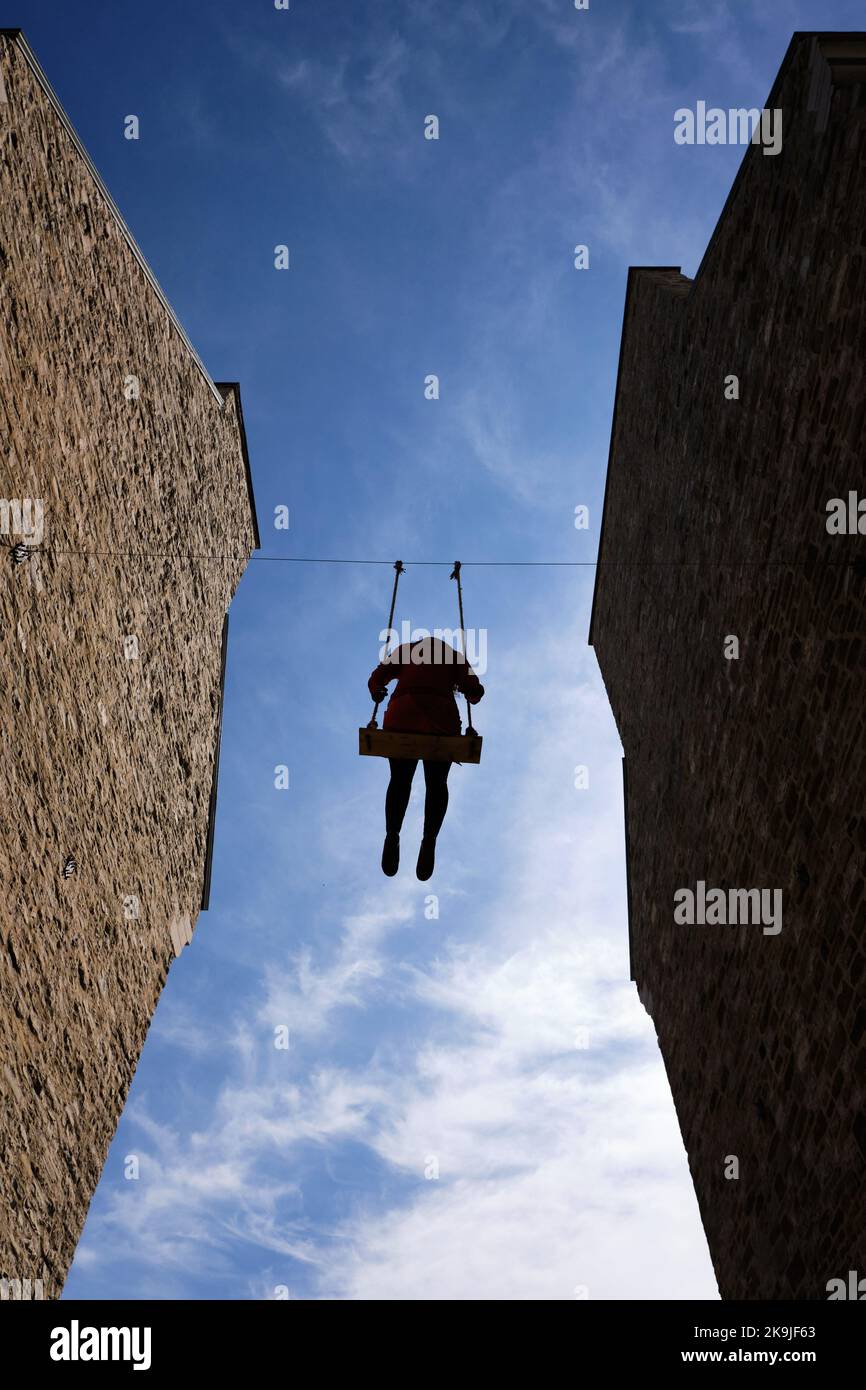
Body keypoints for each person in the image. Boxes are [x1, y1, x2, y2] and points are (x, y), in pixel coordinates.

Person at [368, 636, 485, 880]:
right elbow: (475, 691)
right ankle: (429, 839)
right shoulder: (452, 655)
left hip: (404, 713)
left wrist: (377, 691)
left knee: (399, 780)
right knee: (437, 783)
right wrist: (469, 691)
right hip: (440, 718)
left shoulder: (407, 650)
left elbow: (378, 677)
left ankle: (392, 834)